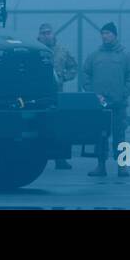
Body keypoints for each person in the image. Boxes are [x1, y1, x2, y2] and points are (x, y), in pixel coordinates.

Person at [80, 22, 130, 178]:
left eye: (108, 33)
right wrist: (93, 94)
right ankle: (100, 166)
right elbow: (85, 74)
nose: (105, 36)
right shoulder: (94, 56)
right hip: (100, 105)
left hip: (119, 104)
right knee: (100, 136)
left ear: (115, 35)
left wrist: (123, 93)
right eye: (103, 33)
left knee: (120, 136)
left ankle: (122, 167)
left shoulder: (126, 56)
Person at [38, 22, 79, 170]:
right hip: (37, 96)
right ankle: (36, 159)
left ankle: (60, 159)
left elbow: (73, 68)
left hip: (57, 95)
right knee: (38, 126)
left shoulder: (62, 51)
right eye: (43, 33)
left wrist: (63, 77)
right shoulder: (33, 50)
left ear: (53, 34)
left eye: (49, 32)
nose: (46, 35)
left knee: (59, 126)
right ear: (39, 35)